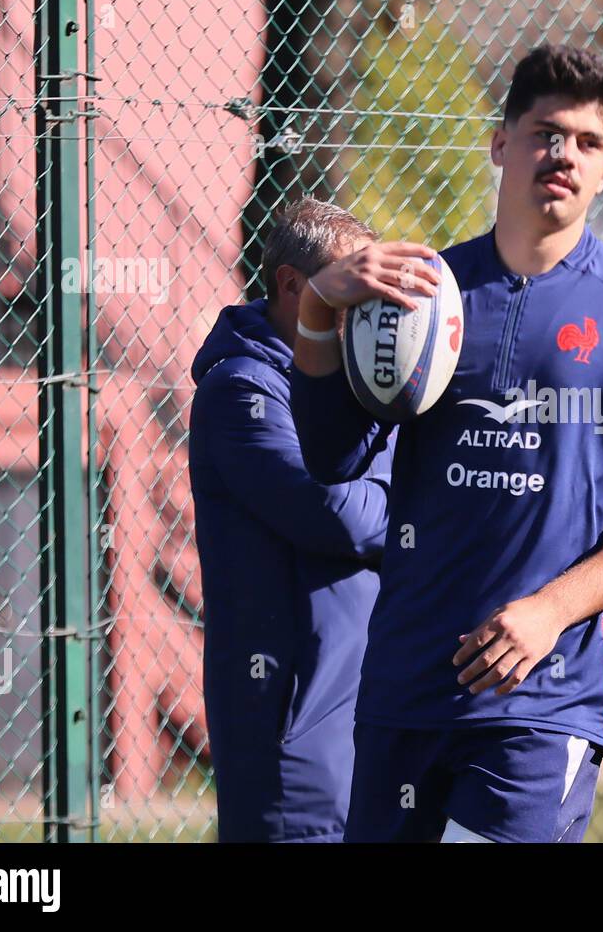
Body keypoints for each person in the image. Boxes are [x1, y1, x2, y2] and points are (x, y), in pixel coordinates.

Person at [289, 44, 603, 842]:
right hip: (407, 684)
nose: (565, 156)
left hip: (542, 696)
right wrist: (319, 315)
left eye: (590, 143)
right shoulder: (420, 297)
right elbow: (331, 457)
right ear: (501, 143)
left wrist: (551, 612)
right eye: (546, 134)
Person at [190, 198, 392, 842]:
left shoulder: (350, 384)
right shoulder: (241, 392)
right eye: (349, 289)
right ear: (292, 286)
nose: (365, 312)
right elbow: (343, 517)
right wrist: (419, 496)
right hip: (293, 743)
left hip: (362, 722)